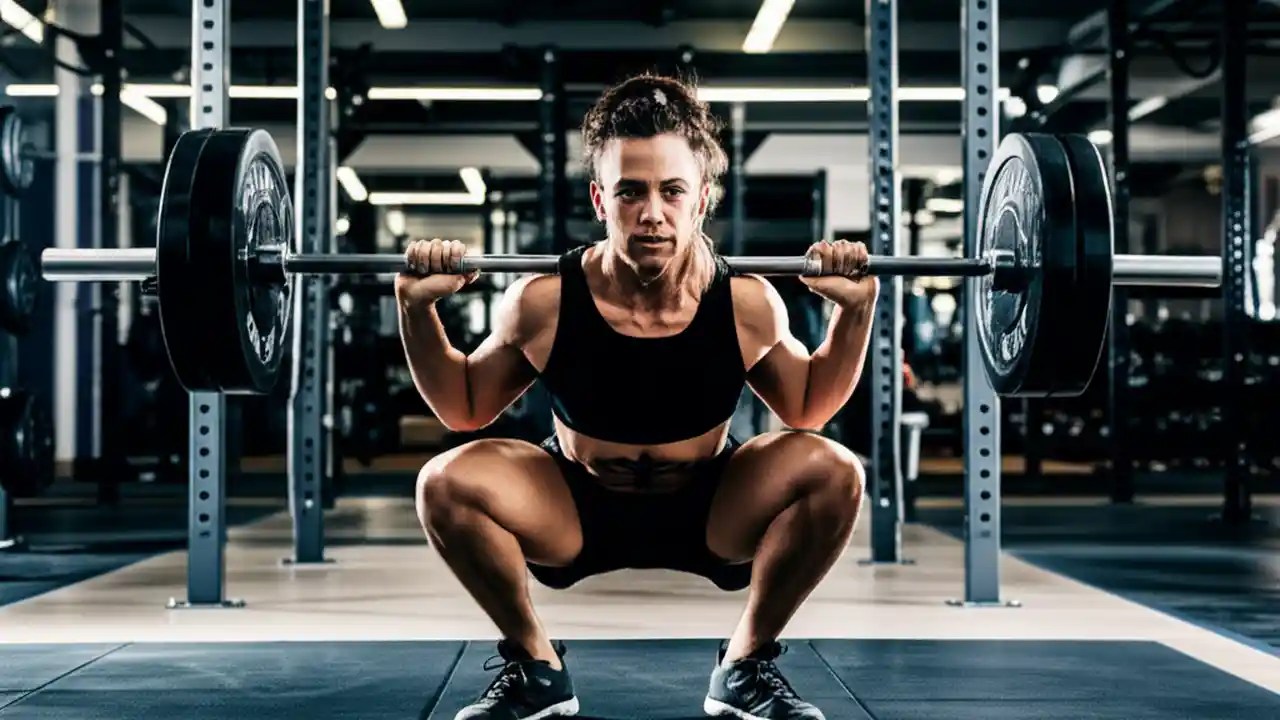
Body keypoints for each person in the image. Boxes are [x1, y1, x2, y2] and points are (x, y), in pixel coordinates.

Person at [396, 73, 877, 720]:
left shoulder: (747, 303)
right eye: (631, 192)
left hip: (710, 507)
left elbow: (808, 410)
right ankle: (537, 667)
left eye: (672, 191)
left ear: (701, 199)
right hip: (572, 507)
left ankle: (744, 664)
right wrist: (415, 310)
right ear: (600, 199)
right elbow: (463, 408)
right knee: (444, 483)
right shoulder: (542, 301)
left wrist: (856, 315)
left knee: (834, 471)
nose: (652, 212)